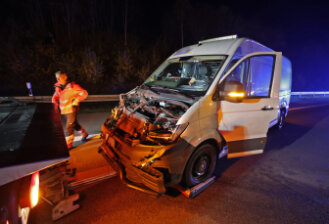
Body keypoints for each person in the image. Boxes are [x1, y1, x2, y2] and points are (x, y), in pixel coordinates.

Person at [52, 71, 88, 149]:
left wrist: (76, 100)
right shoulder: (58, 86)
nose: (58, 79)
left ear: (65, 77)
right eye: (57, 78)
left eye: (60, 77)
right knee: (73, 123)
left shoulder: (73, 86)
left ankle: (68, 145)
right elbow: (56, 96)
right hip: (64, 110)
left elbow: (84, 93)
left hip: (72, 109)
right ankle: (84, 134)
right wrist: (54, 102)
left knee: (69, 127)